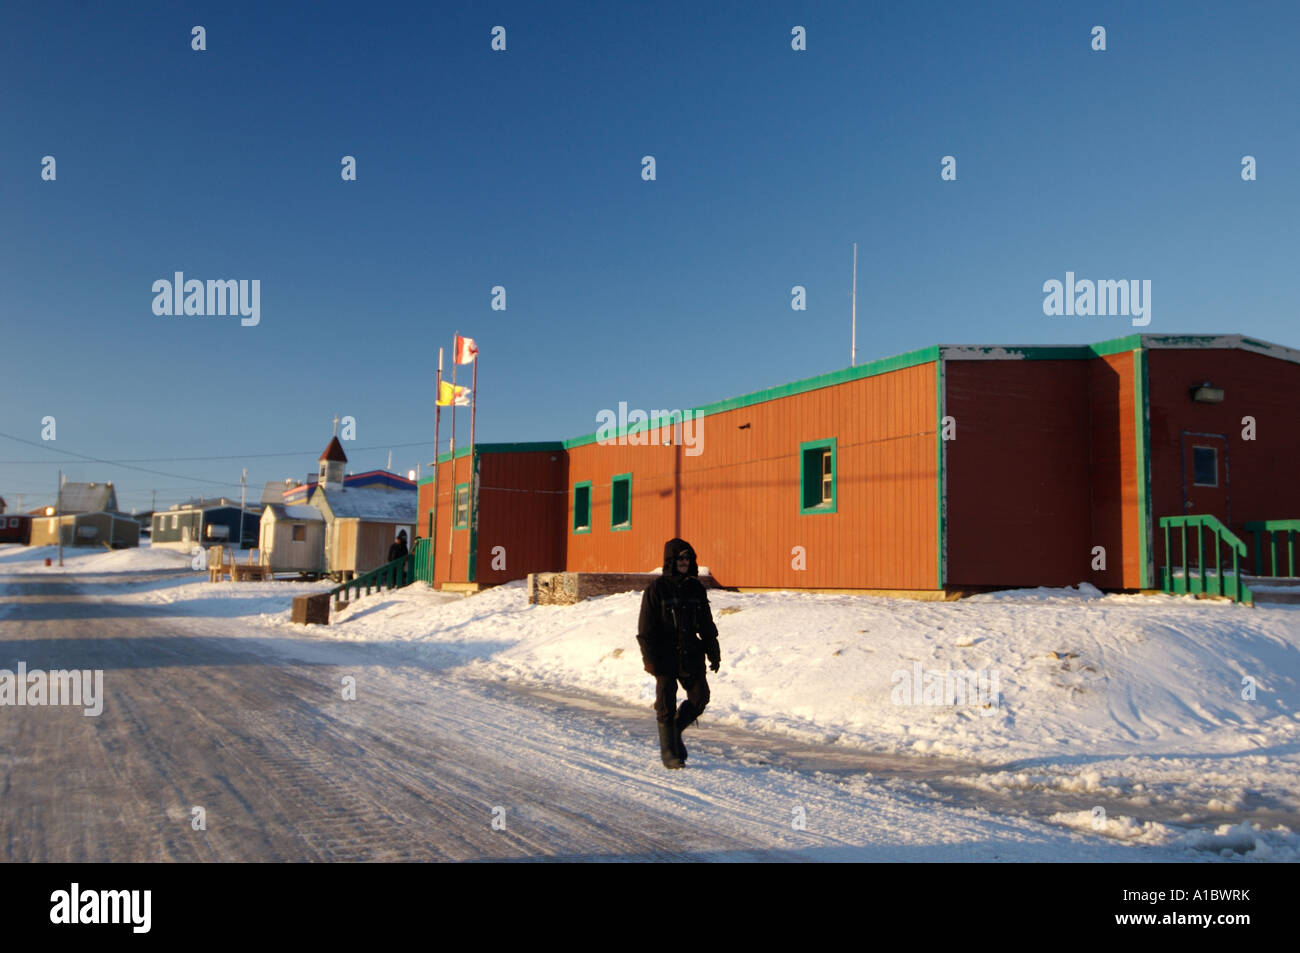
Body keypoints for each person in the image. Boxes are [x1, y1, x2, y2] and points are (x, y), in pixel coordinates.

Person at [636, 537, 720, 769]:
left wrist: (714, 651)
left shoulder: (696, 588)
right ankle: (669, 753)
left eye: (688, 557)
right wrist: (650, 660)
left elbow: (706, 624)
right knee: (666, 703)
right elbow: (645, 630)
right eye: (681, 557)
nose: (685, 562)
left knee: (700, 697)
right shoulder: (656, 590)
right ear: (671, 560)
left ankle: (675, 730)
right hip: (664, 656)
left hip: (690, 653)